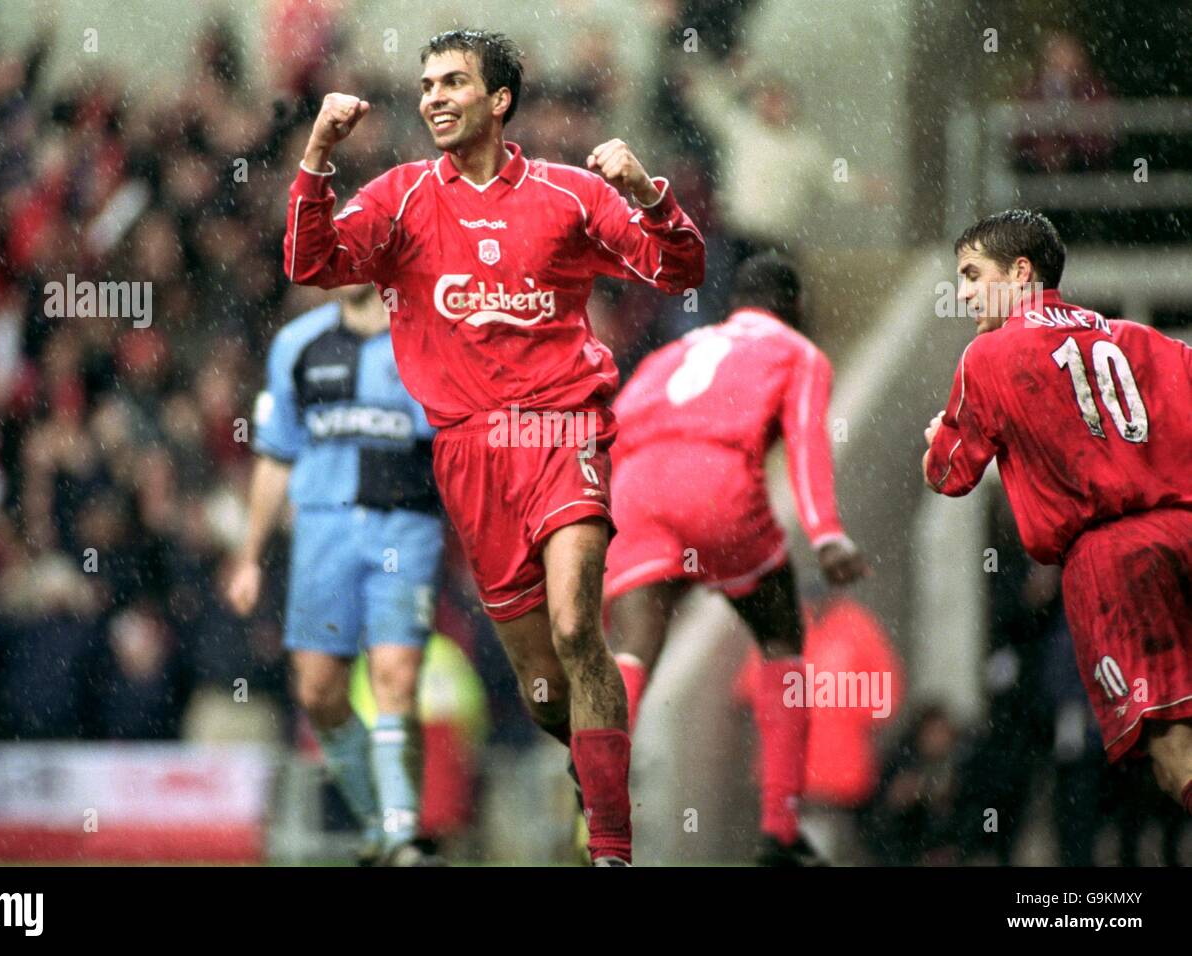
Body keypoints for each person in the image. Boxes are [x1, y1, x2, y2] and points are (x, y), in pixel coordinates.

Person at [282, 29, 705, 865]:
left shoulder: (571, 195)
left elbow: (679, 270)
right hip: (469, 455)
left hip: (560, 428)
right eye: (426, 84)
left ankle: (612, 851)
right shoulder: (402, 198)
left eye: (452, 83)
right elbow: (309, 260)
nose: (432, 97)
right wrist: (319, 153)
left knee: (579, 623)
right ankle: (597, 759)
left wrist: (648, 195)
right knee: (547, 688)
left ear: (498, 100)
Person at [922, 208, 1192, 817]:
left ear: (1020, 272)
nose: (961, 293)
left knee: (1171, 750)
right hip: (1184, 530)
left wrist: (942, 432)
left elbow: (948, 474)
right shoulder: (1139, 338)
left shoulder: (987, 356)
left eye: (971, 273)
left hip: (1113, 562)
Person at [603, 252, 867, 865]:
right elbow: (806, 441)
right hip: (714, 481)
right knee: (780, 634)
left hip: (635, 486)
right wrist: (825, 532)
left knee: (636, 642)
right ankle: (779, 829)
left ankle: (597, 775)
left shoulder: (677, 349)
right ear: (795, 308)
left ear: (734, 305)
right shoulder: (797, 352)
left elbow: (613, 425)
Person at [226, 284, 445, 866]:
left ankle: (401, 833)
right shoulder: (297, 344)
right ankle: (378, 821)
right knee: (318, 689)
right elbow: (276, 454)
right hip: (323, 532)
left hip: (405, 528)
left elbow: (454, 446)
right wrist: (249, 554)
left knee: (395, 676)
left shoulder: (423, 338)